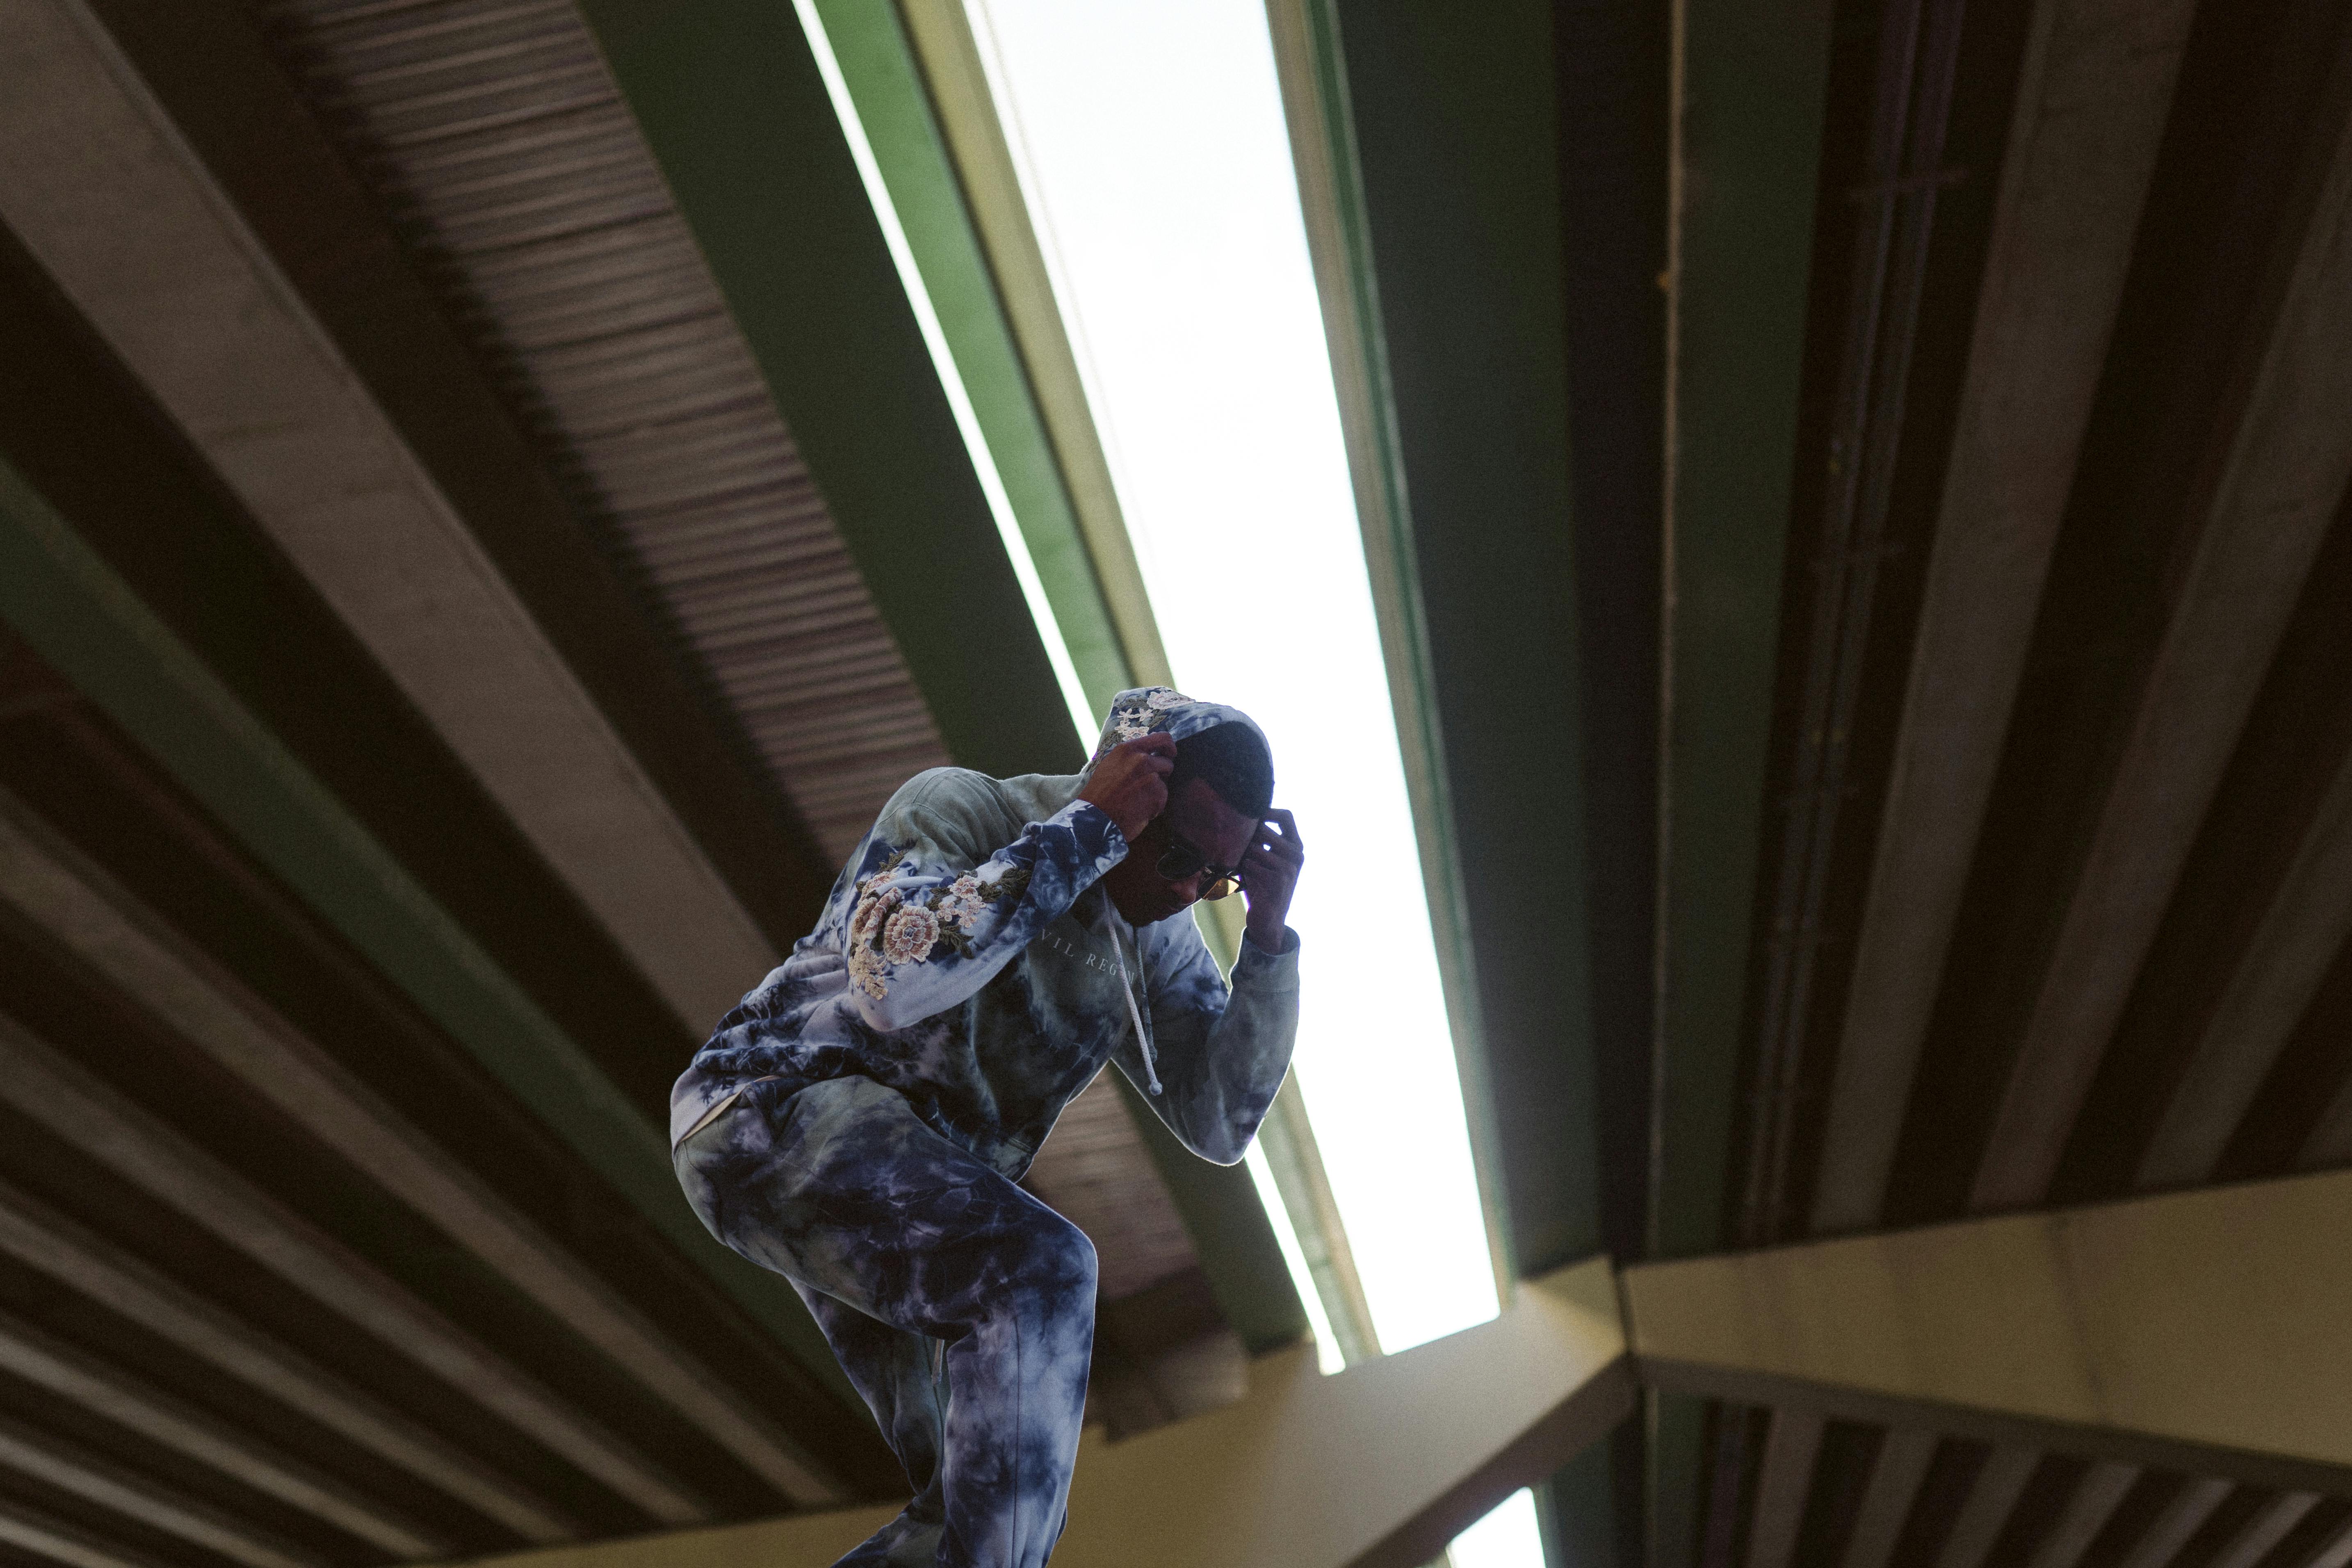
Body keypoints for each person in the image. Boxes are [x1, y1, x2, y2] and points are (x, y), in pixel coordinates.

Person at [672, 687, 1305, 1568]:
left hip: (914, 1180)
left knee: (962, 1510)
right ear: (1124, 784)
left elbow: (1220, 1119)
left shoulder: (1152, 940)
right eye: (1177, 856)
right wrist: (1085, 833)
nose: (1186, 891)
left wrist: (1267, 944)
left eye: (1217, 879)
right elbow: (894, 984)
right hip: (767, 1107)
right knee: (1042, 1270)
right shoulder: (963, 810)